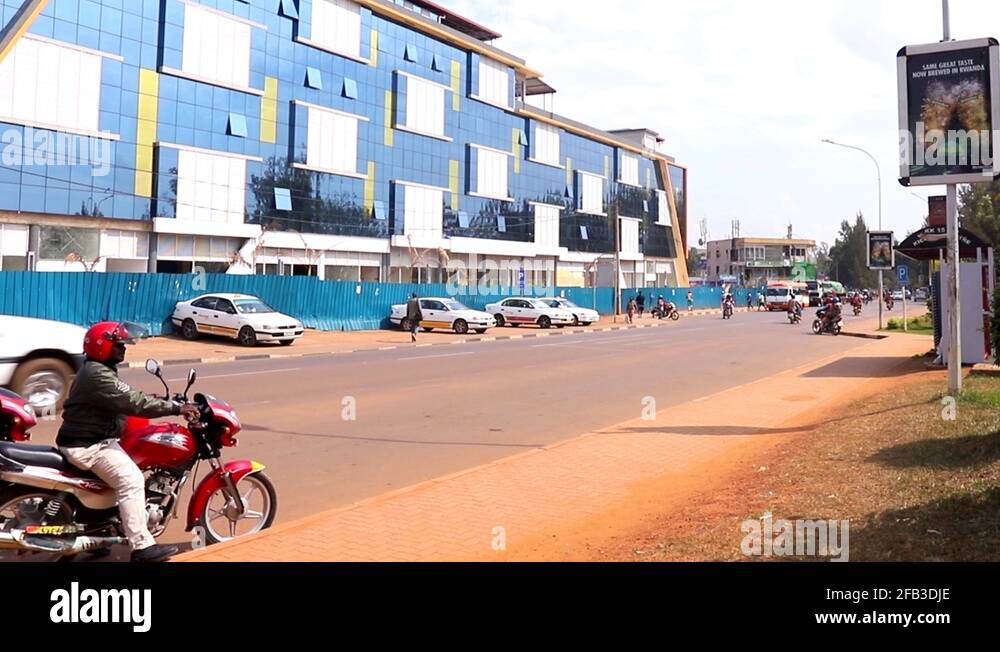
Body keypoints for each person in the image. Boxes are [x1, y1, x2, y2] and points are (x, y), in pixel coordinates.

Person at [56, 322, 200, 563]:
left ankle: (99, 530)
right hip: (89, 445)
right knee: (132, 481)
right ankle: (142, 547)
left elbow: (123, 398)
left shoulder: (97, 369)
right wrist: (175, 408)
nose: (124, 348)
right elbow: (132, 400)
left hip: (90, 438)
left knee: (119, 474)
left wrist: (155, 400)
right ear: (103, 346)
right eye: (119, 344)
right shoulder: (97, 374)